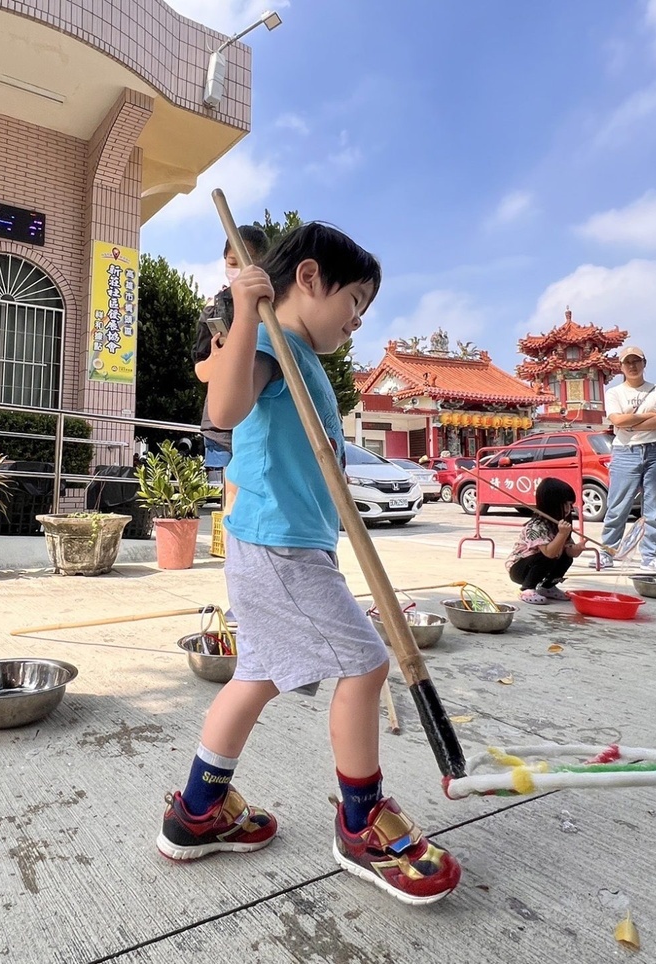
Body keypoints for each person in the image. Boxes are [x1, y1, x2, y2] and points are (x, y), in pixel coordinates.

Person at [157, 223, 462, 905]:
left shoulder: (304, 356)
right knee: (366, 663)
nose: (359, 320)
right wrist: (243, 310)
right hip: (279, 547)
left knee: (257, 676)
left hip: (288, 543)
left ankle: (198, 811)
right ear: (310, 278)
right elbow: (223, 408)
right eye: (355, 300)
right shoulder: (268, 341)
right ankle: (361, 824)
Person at [192, 224, 270, 513]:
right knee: (233, 498)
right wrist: (218, 358)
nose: (236, 269)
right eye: (232, 262)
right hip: (224, 423)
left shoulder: (275, 305)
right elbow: (201, 372)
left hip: (263, 415)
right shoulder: (213, 310)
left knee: (259, 495)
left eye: (245, 262)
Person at [593, 346, 656, 572]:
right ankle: (608, 552)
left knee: (654, 509)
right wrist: (649, 415)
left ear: (644, 363)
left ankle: (650, 556)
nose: (632, 366)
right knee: (617, 506)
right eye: (627, 362)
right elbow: (617, 421)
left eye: (636, 361)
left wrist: (632, 423)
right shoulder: (614, 393)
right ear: (620, 367)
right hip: (625, 453)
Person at [506, 478, 585, 605]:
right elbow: (549, 553)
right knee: (547, 557)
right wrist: (562, 534)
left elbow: (567, 550)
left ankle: (547, 586)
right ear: (552, 504)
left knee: (566, 558)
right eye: (566, 504)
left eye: (570, 504)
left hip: (543, 562)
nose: (569, 509)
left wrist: (575, 550)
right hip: (520, 569)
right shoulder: (536, 526)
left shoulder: (560, 524)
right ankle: (527, 589)